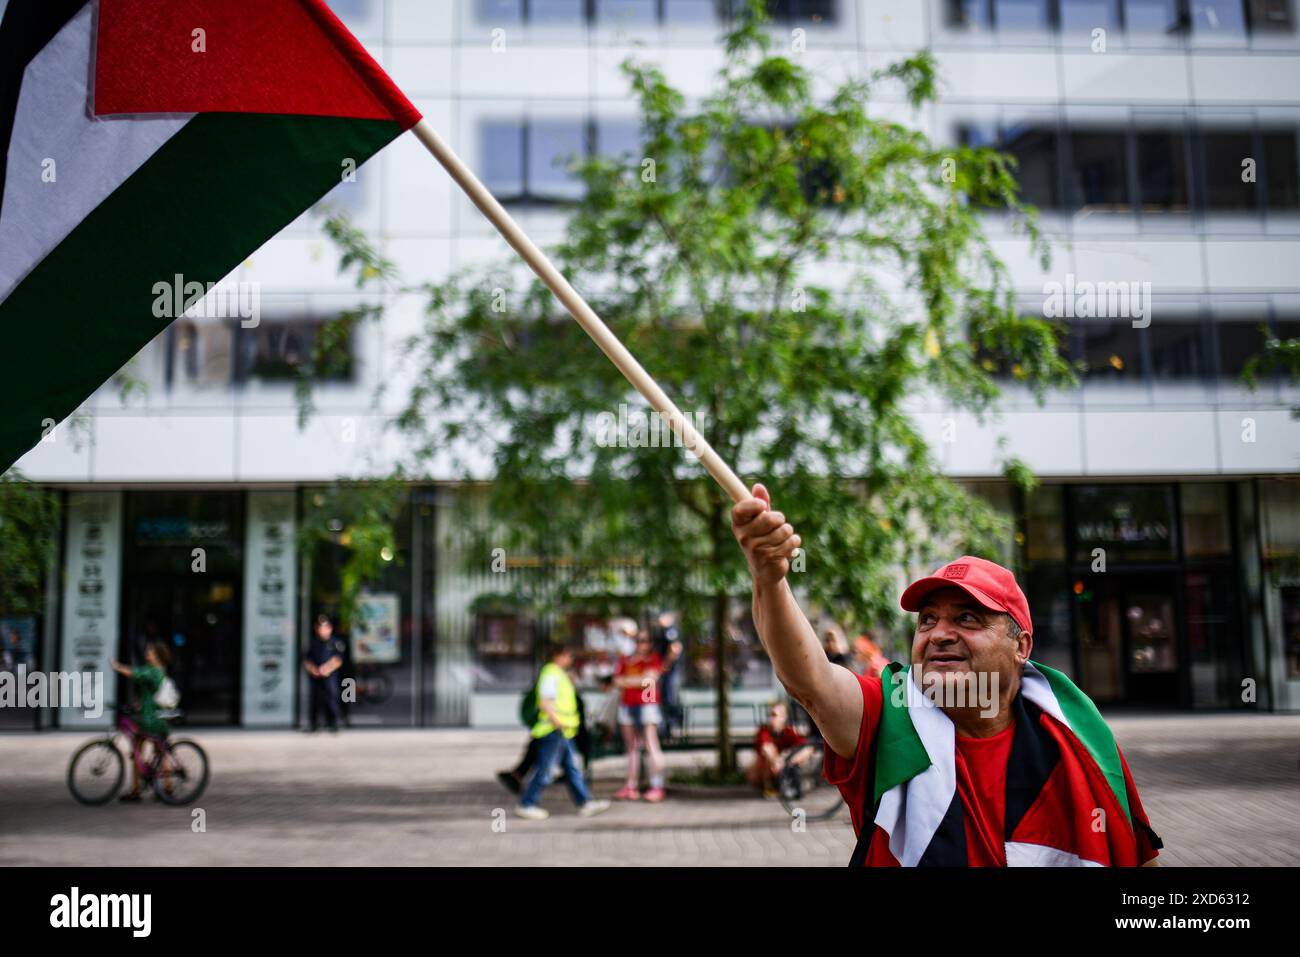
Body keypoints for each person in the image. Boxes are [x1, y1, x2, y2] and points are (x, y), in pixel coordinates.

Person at [731, 482, 1163, 867]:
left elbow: (1139, 858)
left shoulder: (1080, 734)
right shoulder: (889, 714)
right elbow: (811, 682)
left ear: (1021, 646)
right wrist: (770, 580)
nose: (939, 634)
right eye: (927, 620)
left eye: (968, 618)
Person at [516, 644, 610, 820]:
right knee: (545, 768)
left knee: (571, 768)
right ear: (558, 655)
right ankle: (527, 803)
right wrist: (557, 721)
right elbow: (545, 702)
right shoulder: (551, 673)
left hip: (562, 730)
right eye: (568, 655)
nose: (570, 659)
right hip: (554, 729)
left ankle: (585, 802)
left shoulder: (558, 674)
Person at [613, 629, 679, 802]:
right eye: (639, 640)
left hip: (647, 705)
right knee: (631, 748)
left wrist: (629, 681)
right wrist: (636, 681)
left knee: (651, 745)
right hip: (628, 705)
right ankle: (631, 785)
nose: (641, 644)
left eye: (645, 641)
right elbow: (617, 681)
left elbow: (648, 682)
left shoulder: (653, 659)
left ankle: (657, 785)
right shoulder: (626, 660)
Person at [109, 641, 173, 802]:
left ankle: (138, 789)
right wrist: (138, 704)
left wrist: (118, 667)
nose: (147, 654)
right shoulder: (158, 671)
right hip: (155, 719)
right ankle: (166, 787)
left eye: (150, 652)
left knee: (138, 749)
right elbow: (148, 693)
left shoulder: (154, 671)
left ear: (158, 656)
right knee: (157, 752)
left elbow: (136, 673)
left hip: (151, 720)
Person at [745, 701, 813, 797]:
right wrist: (778, 761)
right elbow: (766, 748)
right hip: (765, 771)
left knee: (804, 750)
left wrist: (786, 760)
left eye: (774, 715)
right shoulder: (764, 731)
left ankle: (788, 782)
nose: (770, 718)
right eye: (769, 715)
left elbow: (807, 748)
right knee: (768, 752)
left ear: (784, 718)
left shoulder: (788, 732)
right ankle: (770, 786)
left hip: (780, 768)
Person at [304, 614, 344, 733]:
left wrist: (326, 669)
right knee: (315, 700)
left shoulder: (335, 642)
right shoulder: (313, 642)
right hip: (315, 676)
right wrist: (312, 669)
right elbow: (306, 658)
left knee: (331, 698)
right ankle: (314, 724)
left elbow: (338, 659)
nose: (322, 630)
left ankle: (333, 723)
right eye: (320, 627)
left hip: (329, 676)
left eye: (325, 627)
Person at [651, 611, 685, 738]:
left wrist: (665, 664)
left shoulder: (670, 631)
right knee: (664, 697)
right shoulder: (660, 632)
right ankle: (666, 726)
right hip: (663, 671)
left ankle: (674, 722)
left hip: (670, 671)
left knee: (670, 697)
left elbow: (675, 649)